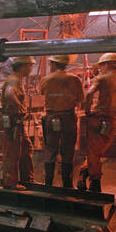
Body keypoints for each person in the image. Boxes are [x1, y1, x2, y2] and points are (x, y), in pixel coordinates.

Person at [78, 52, 116, 193]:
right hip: (113, 120)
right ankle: (83, 175)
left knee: (94, 152)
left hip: (99, 118)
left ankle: (94, 182)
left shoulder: (101, 78)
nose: (100, 69)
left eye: (101, 66)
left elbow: (89, 93)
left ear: (105, 65)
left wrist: (88, 111)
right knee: (98, 151)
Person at [38, 54, 84, 187]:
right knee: (68, 151)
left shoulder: (46, 79)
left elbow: (41, 94)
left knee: (50, 149)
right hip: (68, 118)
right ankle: (67, 184)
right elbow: (81, 99)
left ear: (53, 63)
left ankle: (48, 183)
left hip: (51, 118)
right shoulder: (75, 79)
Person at [0, 56, 35, 189]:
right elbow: (9, 94)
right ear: (23, 66)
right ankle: (10, 183)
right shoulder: (14, 80)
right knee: (12, 151)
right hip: (14, 120)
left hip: (17, 121)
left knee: (26, 147)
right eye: (30, 65)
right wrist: (19, 106)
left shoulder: (17, 79)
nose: (31, 68)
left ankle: (27, 179)